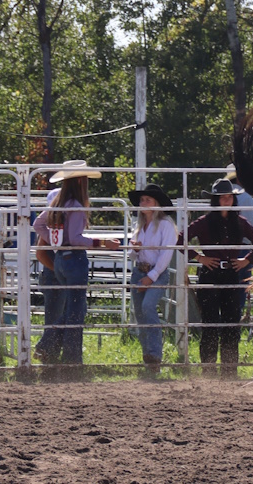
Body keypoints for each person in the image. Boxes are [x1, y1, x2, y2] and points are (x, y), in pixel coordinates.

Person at [31, 160, 121, 369]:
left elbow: (38, 224)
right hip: (74, 260)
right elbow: (77, 238)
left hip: (61, 260)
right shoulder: (76, 206)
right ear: (81, 180)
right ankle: (64, 355)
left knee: (75, 309)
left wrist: (57, 242)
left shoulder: (58, 203)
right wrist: (102, 243)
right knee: (75, 311)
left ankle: (59, 352)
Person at [180, 178, 253, 378]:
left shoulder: (240, 222)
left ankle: (229, 371)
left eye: (229, 197)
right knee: (210, 323)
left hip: (231, 273)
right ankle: (208, 372)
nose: (226, 200)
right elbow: (179, 239)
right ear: (216, 200)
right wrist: (200, 257)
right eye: (222, 197)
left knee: (231, 323)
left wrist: (246, 261)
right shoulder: (204, 222)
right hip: (210, 273)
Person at [127, 184, 177, 374]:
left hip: (156, 273)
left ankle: (155, 354)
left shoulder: (166, 225)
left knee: (147, 308)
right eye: (142, 200)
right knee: (140, 315)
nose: (143, 202)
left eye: (148, 199)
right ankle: (149, 357)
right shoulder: (139, 226)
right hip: (139, 272)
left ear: (156, 204)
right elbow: (132, 254)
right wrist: (135, 249)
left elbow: (166, 255)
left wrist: (152, 276)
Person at [33, 188, 63, 363]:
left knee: (59, 315)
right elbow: (41, 253)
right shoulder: (52, 225)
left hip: (52, 274)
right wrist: (58, 270)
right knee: (59, 315)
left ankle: (47, 352)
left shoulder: (51, 225)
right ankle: (46, 350)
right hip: (54, 276)